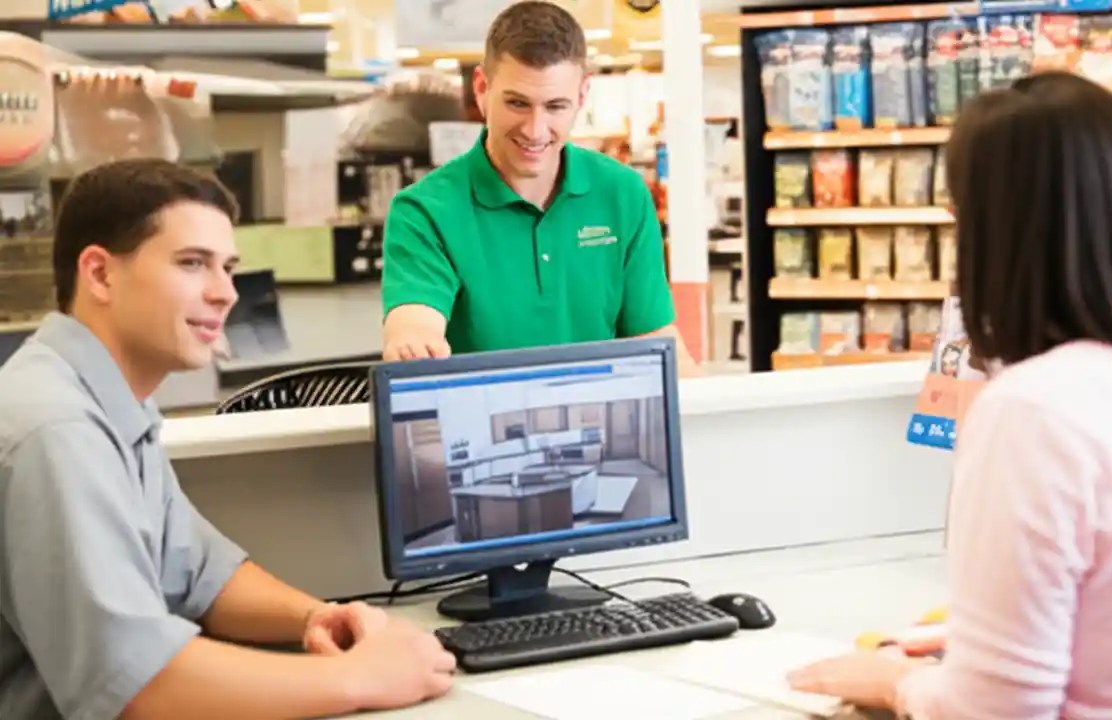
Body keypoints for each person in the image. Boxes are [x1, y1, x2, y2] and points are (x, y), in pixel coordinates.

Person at [787, 72, 1112, 718]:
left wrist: (889, 682)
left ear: (997, 233)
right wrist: (997, 642)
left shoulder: (1036, 409)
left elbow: (996, 714)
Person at [0, 159, 456, 719]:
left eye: (228, 268)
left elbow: (201, 575)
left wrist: (315, 618)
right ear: (99, 274)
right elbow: (137, 686)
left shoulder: (111, 402)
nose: (226, 294)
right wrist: (359, 678)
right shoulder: (56, 429)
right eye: (193, 264)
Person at [380, 0, 698, 375]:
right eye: (517, 103)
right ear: (482, 89)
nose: (535, 129)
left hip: (601, 424)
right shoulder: (425, 211)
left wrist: (714, 413)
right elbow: (414, 325)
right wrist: (413, 343)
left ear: (581, 96)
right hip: (484, 426)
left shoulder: (623, 193)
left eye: (555, 106)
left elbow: (653, 335)